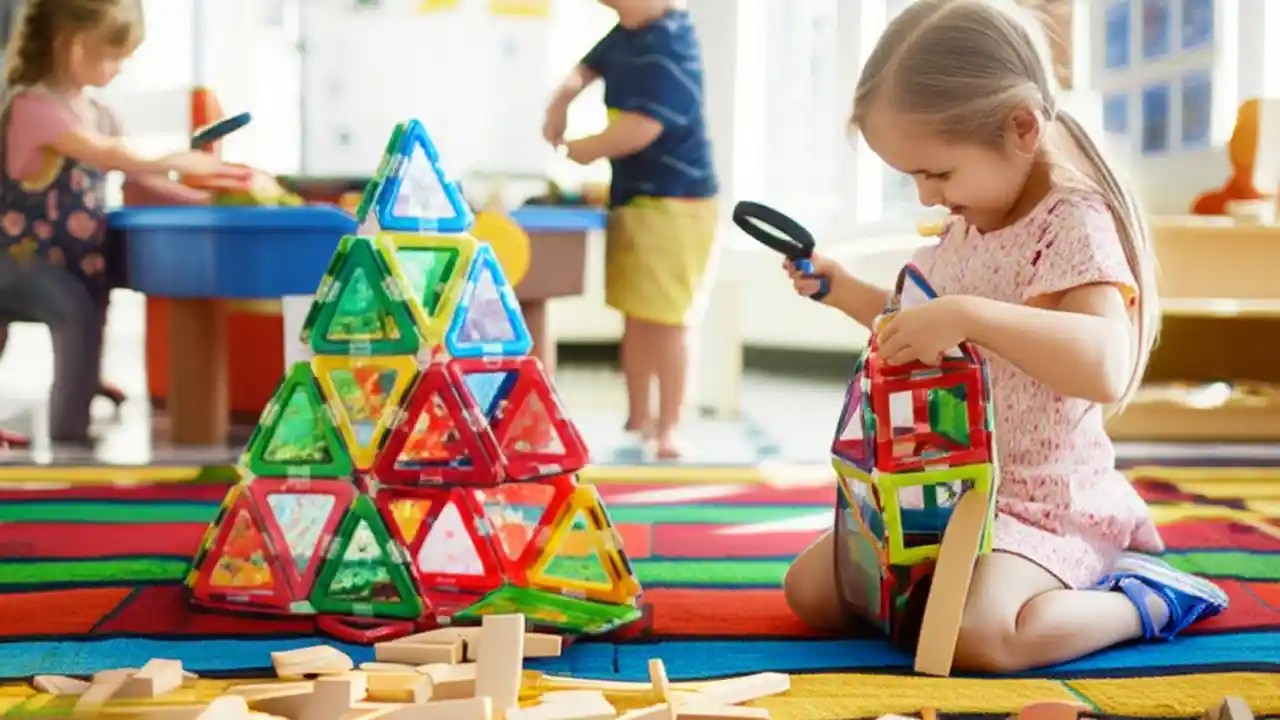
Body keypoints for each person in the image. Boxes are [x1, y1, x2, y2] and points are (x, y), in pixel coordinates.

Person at [781, 0, 1228, 673]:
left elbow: (1106, 363)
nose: (927, 196)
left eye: (938, 173)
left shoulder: (1071, 222)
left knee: (976, 640)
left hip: (1047, 504)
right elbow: (920, 325)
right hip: (947, 493)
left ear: (1022, 128)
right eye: (912, 177)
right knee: (812, 592)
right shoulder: (970, 221)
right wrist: (843, 289)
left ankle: (1145, 598)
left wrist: (969, 315)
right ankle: (953, 590)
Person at [0, 0, 247, 444]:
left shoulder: (99, 112)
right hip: (19, 261)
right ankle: (67, 438)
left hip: (73, 264)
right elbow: (108, 154)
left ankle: (80, 398)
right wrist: (174, 157)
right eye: (111, 54)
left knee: (88, 306)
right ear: (72, 46)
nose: (118, 67)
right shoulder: (32, 108)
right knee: (74, 311)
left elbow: (140, 176)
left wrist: (210, 195)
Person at [542, 0, 718, 460]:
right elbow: (584, 70)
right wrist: (561, 101)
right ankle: (639, 415)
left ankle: (670, 424)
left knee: (668, 318)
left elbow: (643, 128)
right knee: (636, 313)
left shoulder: (669, 40)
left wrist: (585, 148)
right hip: (636, 198)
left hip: (676, 202)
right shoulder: (627, 32)